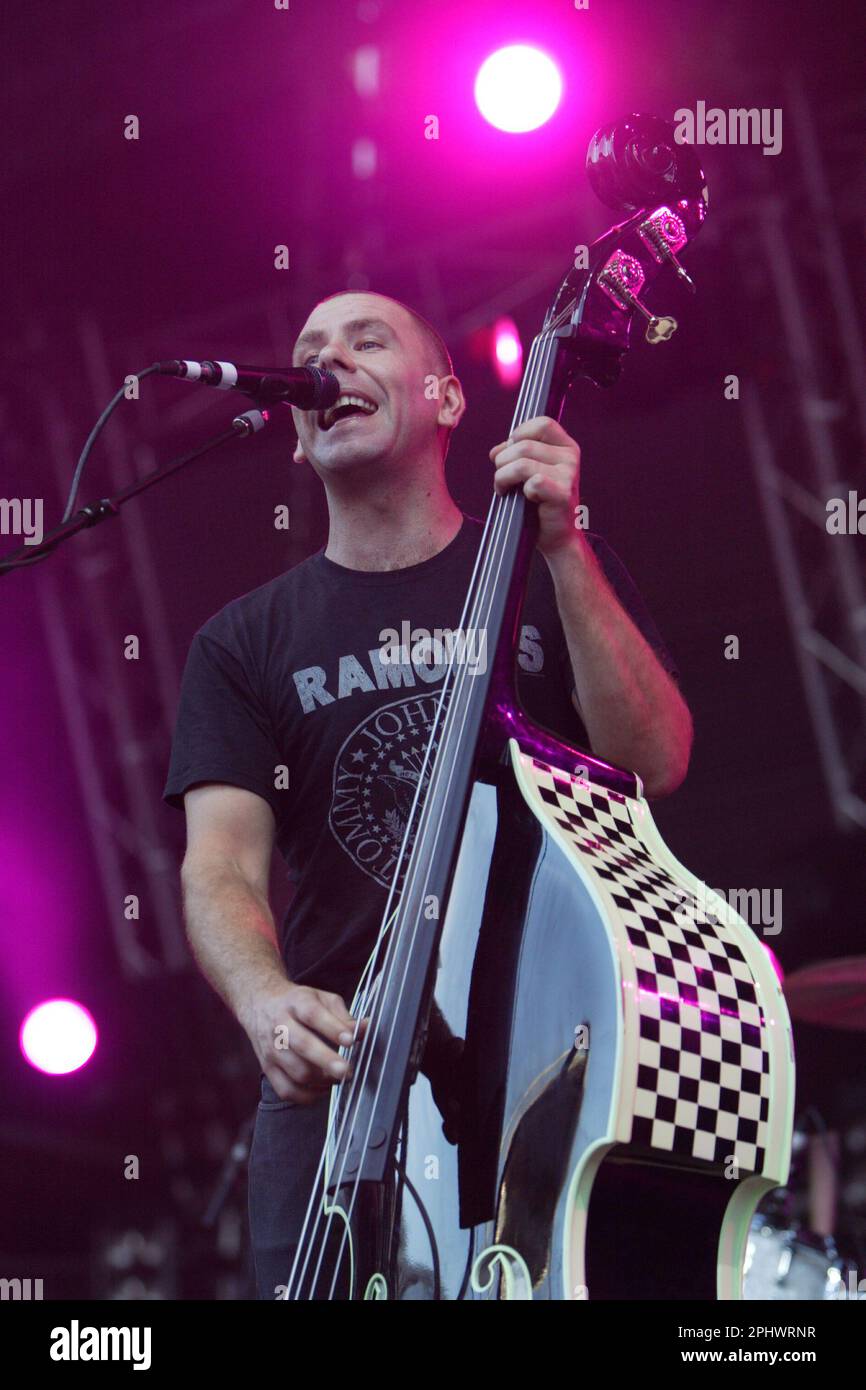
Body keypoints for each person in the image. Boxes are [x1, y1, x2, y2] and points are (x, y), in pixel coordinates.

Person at [163, 290, 693, 1299]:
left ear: (447, 399)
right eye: (310, 351)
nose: (331, 360)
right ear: (295, 433)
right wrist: (263, 1000)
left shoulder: (548, 569)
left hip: (545, 1049)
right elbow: (220, 865)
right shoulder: (242, 643)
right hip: (347, 1077)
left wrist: (563, 548)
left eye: (368, 341)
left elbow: (652, 759)